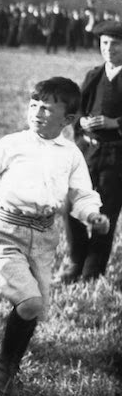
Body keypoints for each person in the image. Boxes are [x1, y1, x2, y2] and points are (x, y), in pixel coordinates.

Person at [0, 77, 109, 394]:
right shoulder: (11, 144)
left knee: (36, 308)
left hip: (44, 237)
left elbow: (82, 194)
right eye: (34, 105)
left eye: (46, 108)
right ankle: (2, 365)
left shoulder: (71, 154)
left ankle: (9, 366)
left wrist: (92, 214)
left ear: (68, 119)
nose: (37, 112)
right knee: (29, 303)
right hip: (7, 231)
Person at [56, 20, 122, 284]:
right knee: (71, 206)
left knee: (103, 214)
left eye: (116, 44)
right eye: (104, 43)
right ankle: (76, 261)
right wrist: (81, 121)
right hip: (88, 153)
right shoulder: (95, 74)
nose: (109, 49)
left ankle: (92, 272)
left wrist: (115, 123)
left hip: (116, 157)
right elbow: (77, 108)